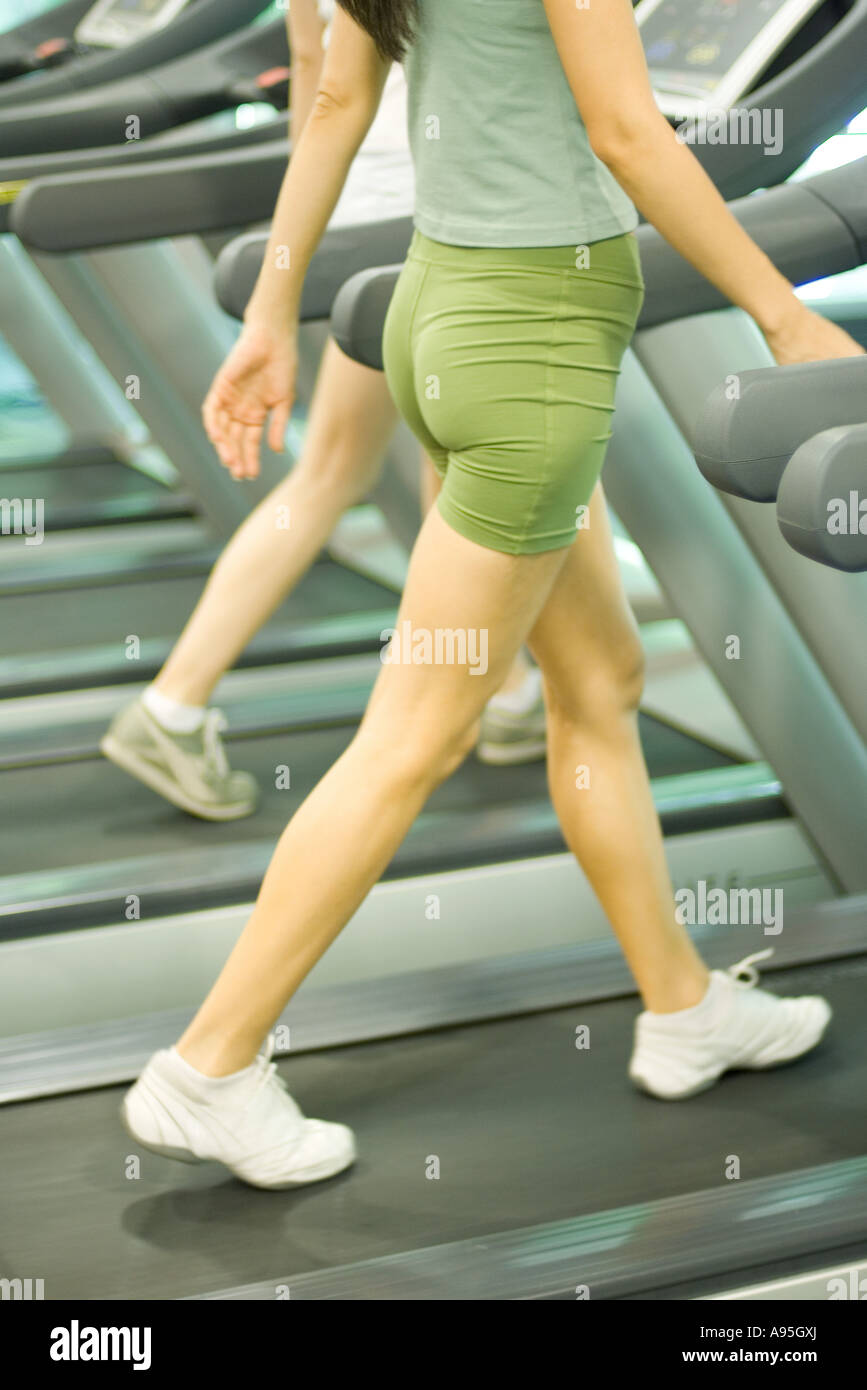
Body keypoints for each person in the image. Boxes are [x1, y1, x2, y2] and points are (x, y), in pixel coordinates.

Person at [122, 0, 863, 1190]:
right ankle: (209, 1067)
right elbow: (627, 131)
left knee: (599, 677)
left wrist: (272, 308)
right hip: (533, 352)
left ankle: (682, 1006)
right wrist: (784, 319)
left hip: (438, 311)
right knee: (416, 731)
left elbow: (333, 103)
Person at [100, 0, 545, 823]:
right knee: (438, 475)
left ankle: (507, 693)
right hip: (447, 216)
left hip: (359, 216)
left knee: (350, 469)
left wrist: (307, 238)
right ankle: (177, 703)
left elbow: (321, 81)